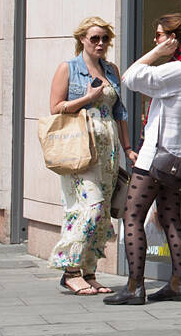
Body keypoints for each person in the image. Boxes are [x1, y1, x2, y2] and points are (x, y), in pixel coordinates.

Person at [104, 14, 181, 305]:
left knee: (132, 217)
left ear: (175, 40)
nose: (156, 40)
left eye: (160, 35)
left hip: (156, 158)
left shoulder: (177, 70)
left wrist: (156, 54)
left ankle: (134, 287)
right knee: (171, 218)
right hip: (178, 158)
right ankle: (178, 284)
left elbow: (130, 77)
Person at [48, 17, 135, 294]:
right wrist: (86, 98)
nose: (100, 43)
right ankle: (70, 271)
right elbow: (55, 107)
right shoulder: (68, 68)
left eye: (104, 39)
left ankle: (89, 271)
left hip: (108, 149)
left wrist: (128, 147)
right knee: (90, 207)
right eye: (94, 38)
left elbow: (120, 113)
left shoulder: (111, 69)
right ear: (82, 39)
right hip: (80, 149)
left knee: (103, 212)